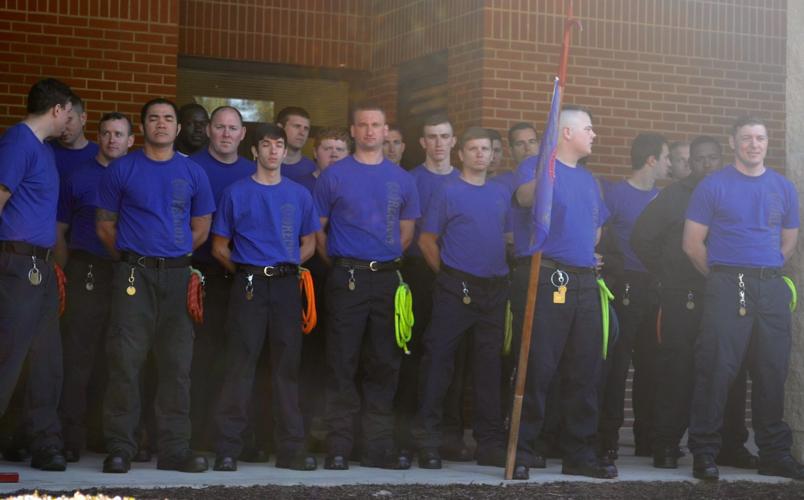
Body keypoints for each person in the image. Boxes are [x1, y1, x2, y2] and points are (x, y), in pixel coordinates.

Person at [96, 98, 215, 474]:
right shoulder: (122, 169)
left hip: (179, 277)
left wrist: (170, 255)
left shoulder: (193, 172)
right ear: (143, 126)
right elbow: (105, 227)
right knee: (125, 363)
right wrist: (140, 256)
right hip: (133, 275)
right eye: (153, 119)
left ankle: (175, 449)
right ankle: (120, 447)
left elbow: (201, 228)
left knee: (177, 366)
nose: (161, 124)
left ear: (178, 129)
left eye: (168, 119)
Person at [683, 116, 804, 481]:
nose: (754, 144)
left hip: (770, 287)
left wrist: (764, 270)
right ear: (733, 142)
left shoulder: (783, 188)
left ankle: (774, 453)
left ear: (768, 143)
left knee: (772, 370)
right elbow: (691, 245)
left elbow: (789, 240)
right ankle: (705, 451)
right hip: (726, 283)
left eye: (761, 138)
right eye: (747, 138)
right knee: (716, 369)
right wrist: (724, 277)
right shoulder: (713, 185)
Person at [631, 135, 756, 470]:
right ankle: (667, 446)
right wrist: (669, 272)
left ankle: (731, 446)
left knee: (730, 370)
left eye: (712, 158)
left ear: (721, 158)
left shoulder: (735, 191)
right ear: (688, 163)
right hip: (684, 297)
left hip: (729, 297)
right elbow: (641, 238)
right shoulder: (674, 197)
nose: (706, 164)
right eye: (698, 159)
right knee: (678, 371)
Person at [314, 103, 420, 470]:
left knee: (385, 363)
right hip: (347, 278)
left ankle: (377, 448)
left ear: (385, 130)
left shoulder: (402, 179)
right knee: (341, 362)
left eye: (377, 125)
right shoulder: (333, 176)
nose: (371, 131)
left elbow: (406, 234)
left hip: (388, 279)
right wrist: (347, 263)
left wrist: (379, 260)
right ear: (354, 131)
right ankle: (339, 447)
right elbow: (318, 232)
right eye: (364, 125)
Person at [210, 123, 320, 472]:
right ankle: (229, 447)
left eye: (280, 145)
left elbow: (309, 243)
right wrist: (250, 270)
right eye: (267, 145)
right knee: (240, 365)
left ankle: (291, 449)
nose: (274, 151)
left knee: (287, 367)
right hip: (249, 285)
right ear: (254, 151)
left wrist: (282, 265)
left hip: (287, 286)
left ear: (286, 152)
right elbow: (219, 246)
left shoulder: (300, 194)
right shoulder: (235, 192)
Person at [512, 106, 613, 480]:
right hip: (547, 276)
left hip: (585, 280)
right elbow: (525, 199)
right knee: (538, 366)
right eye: (588, 128)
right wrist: (547, 167)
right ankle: (522, 448)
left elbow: (596, 226)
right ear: (566, 133)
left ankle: (580, 453)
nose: (594, 135)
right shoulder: (537, 166)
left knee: (585, 369)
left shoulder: (588, 179)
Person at [413, 126, 511, 469]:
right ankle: (428, 443)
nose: (480, 154)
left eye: (486, 149)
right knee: (438, 365)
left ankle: (489, 444)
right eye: (473, 149)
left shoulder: (500, 193)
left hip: (494, 290)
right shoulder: (448, 191)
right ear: (462, 154)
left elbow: (507, 237)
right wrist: (450, 276)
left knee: (489, 369)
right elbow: (427, 240)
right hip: (455, 288)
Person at [0, 77, 74, 471]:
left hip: (41, 268)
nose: (71, 122)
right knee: (8, 358)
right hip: (15, 266)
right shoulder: (17, 142)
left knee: (47, 361)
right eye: (69, 113)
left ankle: (46, 443)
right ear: (57, 109)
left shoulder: (44, 150)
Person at [56, 112, 135, 463]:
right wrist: (64, 271)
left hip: (127, 273)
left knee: (118, 358)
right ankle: (70, 437)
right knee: (79, 356)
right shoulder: (79, 176)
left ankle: (108, 436)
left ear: (131, 140)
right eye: (105, 133)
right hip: (86, 269)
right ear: (97, 137)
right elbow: (59, 232)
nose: (112, 139)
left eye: (119, 134)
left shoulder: (137, 174)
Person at [395, 114, 465, 461]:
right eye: (431, 137)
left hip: (460, 277)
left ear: (454, 141)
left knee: (454, 359)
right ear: (422, 143)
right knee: (416, 356)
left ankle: (449, 436)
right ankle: (410, 436)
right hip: (419, 275)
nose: (438, 143)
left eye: (445, 136)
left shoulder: (466, 180)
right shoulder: (409, 180)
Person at [597, 133, 670, 462]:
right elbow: (600, 237)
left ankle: (648, 438)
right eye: (666, 157)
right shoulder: (615, 195)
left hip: (654, 288)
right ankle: (607, 437)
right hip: (623, 285)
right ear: (651, 159)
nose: (670, 163)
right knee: (617, 364)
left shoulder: (662, 199)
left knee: (652, 366)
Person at [188, 106, 255, 451]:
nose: (226, 134)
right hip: (204, 276)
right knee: (202, 357)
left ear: (243, 134)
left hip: (249, 279)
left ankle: (235, 438)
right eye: (220, 127)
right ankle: (196, 436)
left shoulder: (255, 172)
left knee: (242, 357)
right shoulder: (191, 167)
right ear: (209, 131)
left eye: (233, 128)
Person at [50, 94, 99, 181]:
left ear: (83, 118)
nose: (63, 127)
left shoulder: (100, 154)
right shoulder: (45, 151)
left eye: (68, 120)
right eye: (59, 120)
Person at [296, 127, 351, 195]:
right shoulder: (299, 187)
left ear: (348, 155)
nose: (334, 154)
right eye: (328, 149)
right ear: (315, 153)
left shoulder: (355, 187)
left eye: (339, 149)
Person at [276, 106, 315, 183]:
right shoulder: (262, 168)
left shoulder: (314, 170)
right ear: (279, 128)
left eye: (306, 128)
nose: (302, 133)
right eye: (297, 126)